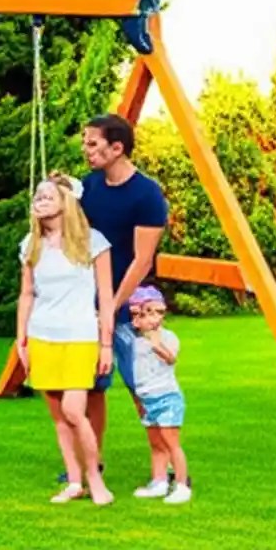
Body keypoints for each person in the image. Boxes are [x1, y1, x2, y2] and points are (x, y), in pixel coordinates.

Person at [78, 113, 170, 477]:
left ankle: (165, 466)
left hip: (129, 304)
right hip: (90, 300)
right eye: (85, 143)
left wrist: (112, 307)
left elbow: (142, 260)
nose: (86, 150)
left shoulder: (146, 194)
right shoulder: (89, 187)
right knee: (92, 386)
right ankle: (91, 462)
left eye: (92, 144)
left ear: (117, 148)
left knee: (143, 386)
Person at [17, 174, 116, 506]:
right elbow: (27, 294)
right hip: (42, 335)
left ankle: (95, 479)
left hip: (80, 336)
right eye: (36, 196)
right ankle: (74, 482)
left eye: (47, 195)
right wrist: (22, 340)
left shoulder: (93, 242)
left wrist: (105, 344)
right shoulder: (31, 245)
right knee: (59, 417)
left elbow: (106, 295)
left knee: (75, 410)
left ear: (66, 202)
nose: (40, 199)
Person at [127, 285, 191, 504]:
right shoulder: (133, 342)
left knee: (171, 442)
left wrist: (156, 344)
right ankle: (159, 481)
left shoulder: (168, 337)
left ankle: (182, 484)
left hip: (167, 397)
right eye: (141, 314)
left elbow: (171, 358)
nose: (152, 319)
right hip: (147, 399)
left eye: (156, 313)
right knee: (156, 443)